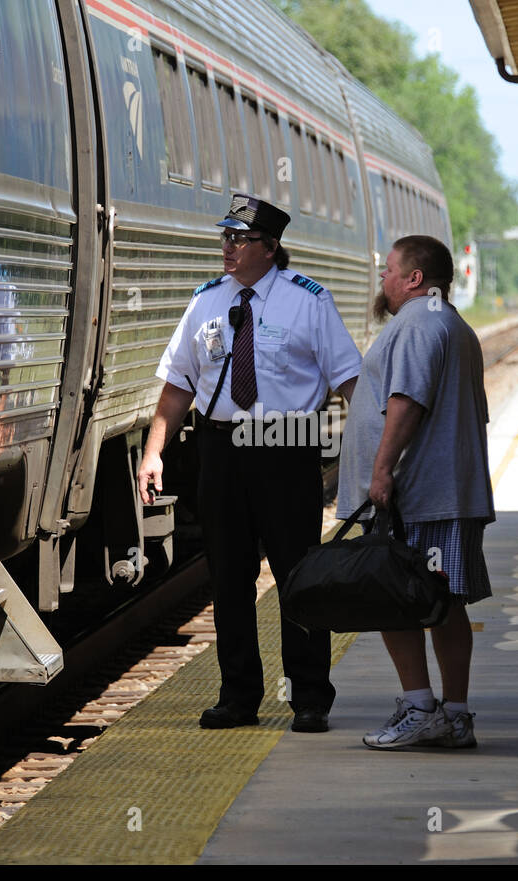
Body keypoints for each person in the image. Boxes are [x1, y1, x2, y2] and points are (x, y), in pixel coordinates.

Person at [137, 194, 361, 733]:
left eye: (239, 240)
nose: (228, 248)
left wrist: (374, 452)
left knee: (298, 576)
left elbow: (351, 381)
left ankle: (309, 697)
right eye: (226, 238)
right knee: (229, 578)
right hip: (219, 450)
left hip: (287, 447)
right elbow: (177, 387)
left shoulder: (308, 301)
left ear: (271, 248)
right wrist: (153, 452)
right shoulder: (207, 302)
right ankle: (238, 696)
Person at [337, 235, 494, 750]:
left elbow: (406, 402)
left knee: (395, 600)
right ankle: (452, 714)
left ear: (414, 279)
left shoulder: (419, 322)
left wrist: (380, 474)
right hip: (441, 494)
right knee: (443, 603)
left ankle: (422, 706)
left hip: (419, 498)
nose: (382, 279)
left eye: (388, 271)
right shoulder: (449, 323)